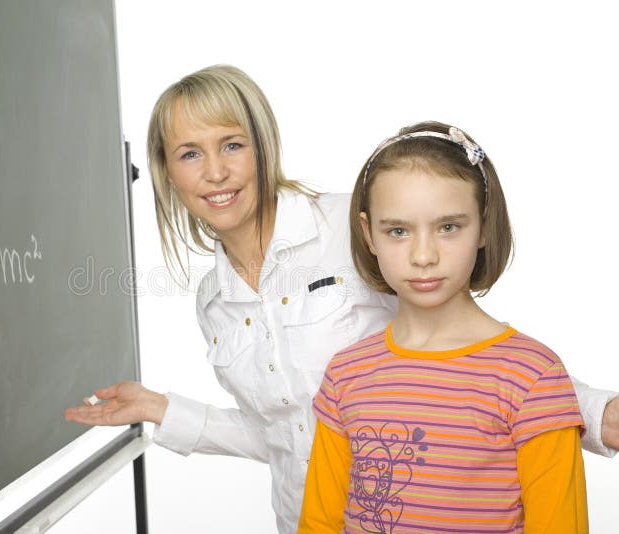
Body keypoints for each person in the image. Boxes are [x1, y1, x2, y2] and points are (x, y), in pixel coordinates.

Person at [65, 65, 617, 534]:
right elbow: (280, 432)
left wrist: (595, 412)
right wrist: (161, 409)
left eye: (232, 144)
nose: (216, 172)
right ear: (168, 170)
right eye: (190, 153)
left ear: (262, 147)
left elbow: (469, 357)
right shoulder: (214, 299)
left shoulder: (348, 229)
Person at [298, 122, 587, 533]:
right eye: (398, 231)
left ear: (484, 226)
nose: (423, 255)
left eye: (448, 227)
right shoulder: (347, 373)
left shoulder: (533, 376)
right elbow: (317, 523)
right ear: (369, 235)